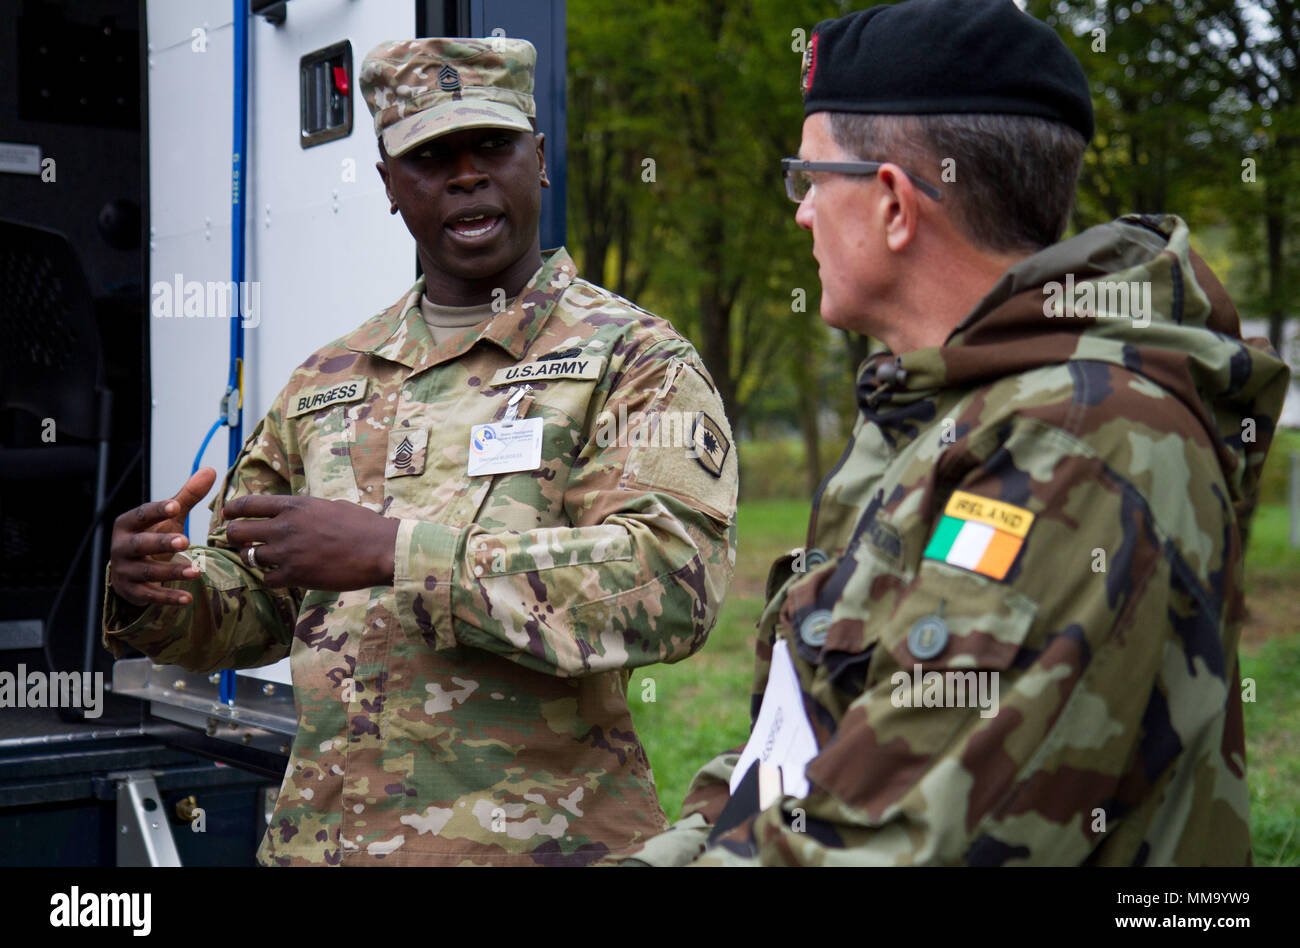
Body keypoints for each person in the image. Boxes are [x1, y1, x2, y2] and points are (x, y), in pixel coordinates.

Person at [624, 0, 1289, 866]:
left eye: (809, 179)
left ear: (895, 205)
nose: (800, 214)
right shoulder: (933, 418)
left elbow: (901, 844)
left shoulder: (1075, 446)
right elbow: (808, 742)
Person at [102, 37, 738, 867]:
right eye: (431, 157)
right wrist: (165, 590)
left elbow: (668, 582)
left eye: (492, 147)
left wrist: (395, 553)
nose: (466, 175)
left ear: (538, 159)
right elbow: (260, 606)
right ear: (389, 187)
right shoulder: (327, 379)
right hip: (323, 847)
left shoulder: (632, 359)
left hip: (545, 848)